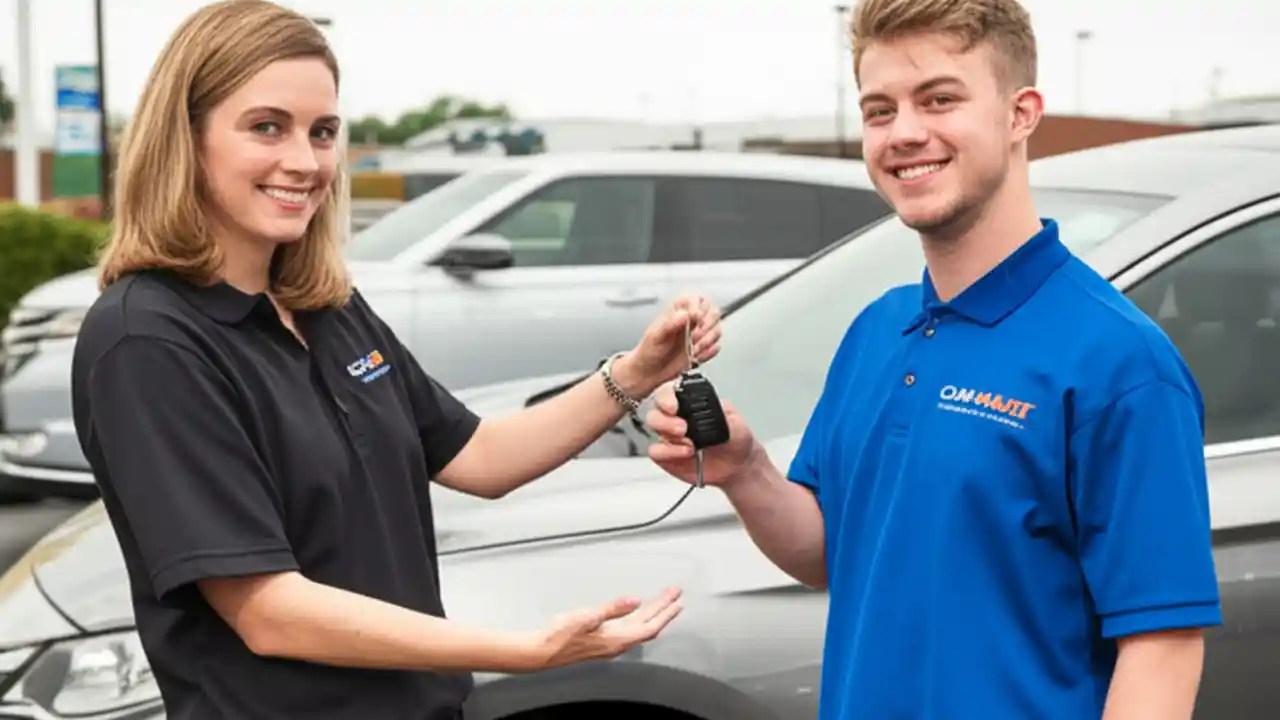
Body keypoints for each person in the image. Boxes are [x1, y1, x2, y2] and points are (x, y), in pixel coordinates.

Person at [69, 2, 721, 718]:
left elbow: (479, 456)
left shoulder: (328, 308)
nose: (305, 161)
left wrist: (634, 373)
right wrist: (522, 650)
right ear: (185, 139)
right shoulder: (146, 341)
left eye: (322, 132)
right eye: (267, 128)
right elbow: (267, 609)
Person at [647, 0, 1221, 718]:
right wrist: (745, 471)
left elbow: (1163, 648)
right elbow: (829, 555)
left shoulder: (1122, 366)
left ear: (1021, 114)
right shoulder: (877, 330)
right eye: (880, 110)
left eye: (940, 99)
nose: (906, 133)